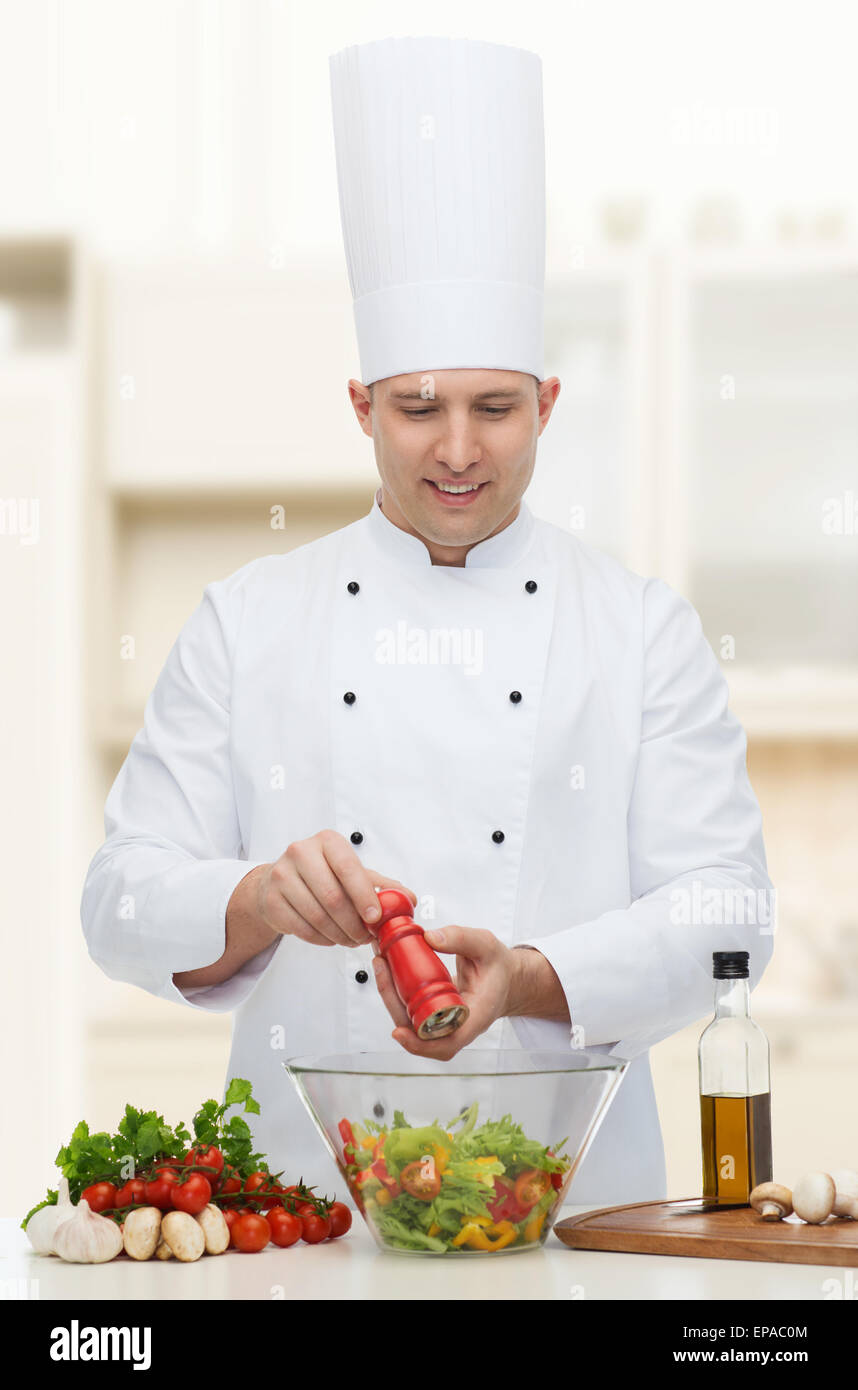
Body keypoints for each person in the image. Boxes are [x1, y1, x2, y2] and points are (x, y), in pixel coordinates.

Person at [81, 36, 773, 1205]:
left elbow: (730, 912)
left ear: (549, 402)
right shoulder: (249, 622)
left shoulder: (641, 628)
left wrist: (537, 974)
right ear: (360, 405)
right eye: (417, 408)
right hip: (301, 1224)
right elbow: (117, 902)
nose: (458, 449)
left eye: (495, 407)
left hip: (574, 1224)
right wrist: (250, 902)